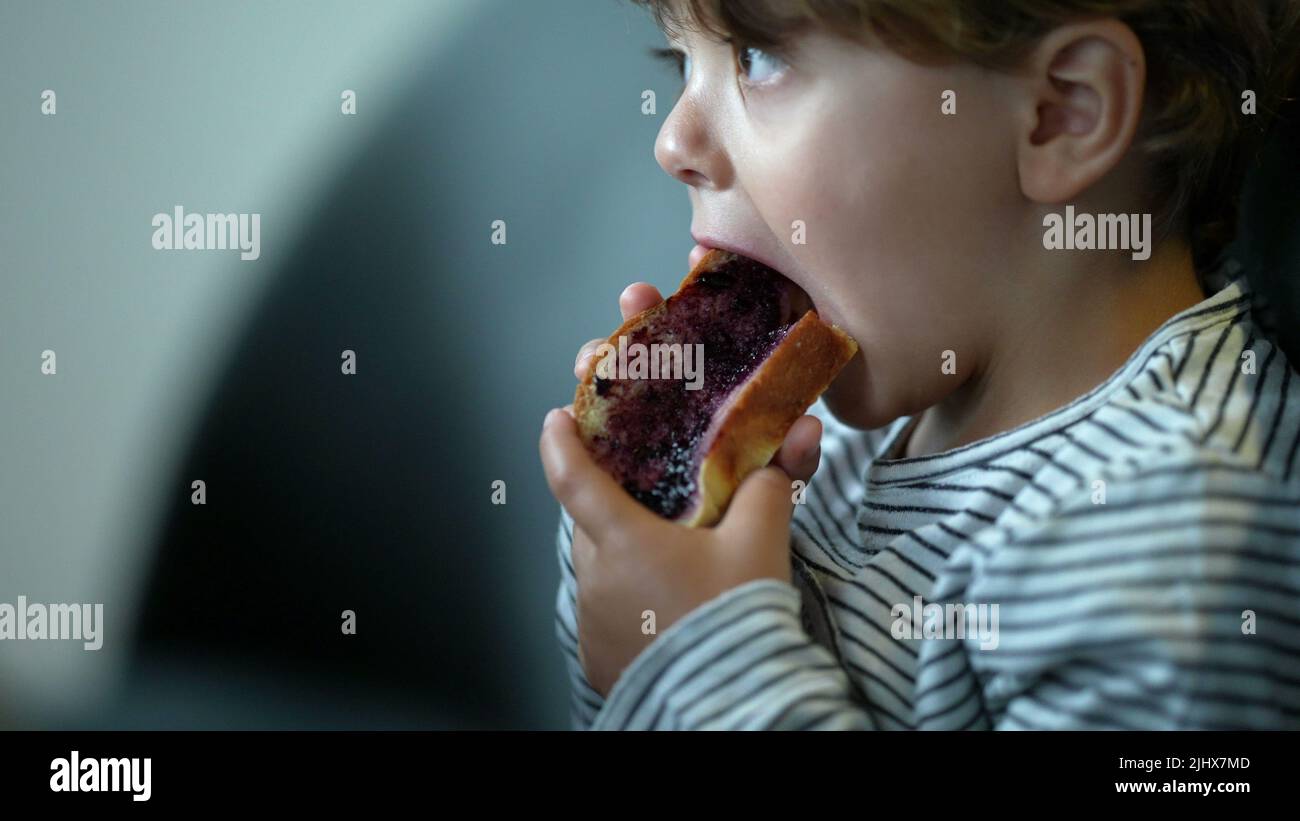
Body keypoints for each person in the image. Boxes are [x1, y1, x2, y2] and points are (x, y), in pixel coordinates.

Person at [539, 0, 1300, 729]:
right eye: (681, 64)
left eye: (756, 56)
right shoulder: (825, 428)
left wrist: (700, 669)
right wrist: (633, 548)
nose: (672, 144)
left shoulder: (1170, 545)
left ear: (1063, 112)